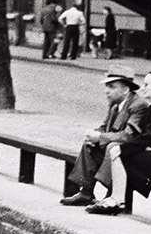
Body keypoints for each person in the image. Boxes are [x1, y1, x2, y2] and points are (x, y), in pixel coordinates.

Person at [87, 68, 151, 215]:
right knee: (118, 152)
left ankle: (117, 200)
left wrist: (123, 149)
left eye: (146, 85)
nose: (142, 88)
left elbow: (147, 137)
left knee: (118, 153)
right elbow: (144, 137)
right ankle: (115, 198)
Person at [61, 67, 144, 207]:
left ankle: (111, 196)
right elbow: (105, 126)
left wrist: (100, 137)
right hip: (117, 149)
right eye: (107, 86)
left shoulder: (138, 105)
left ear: (125, 90)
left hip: (133, 154)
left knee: (112, 148)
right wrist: (94, 134)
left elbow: (129, 136)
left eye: (111, 87)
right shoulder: (115, 104)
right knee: (90, 145)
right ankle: (86, 192)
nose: (106, 91)